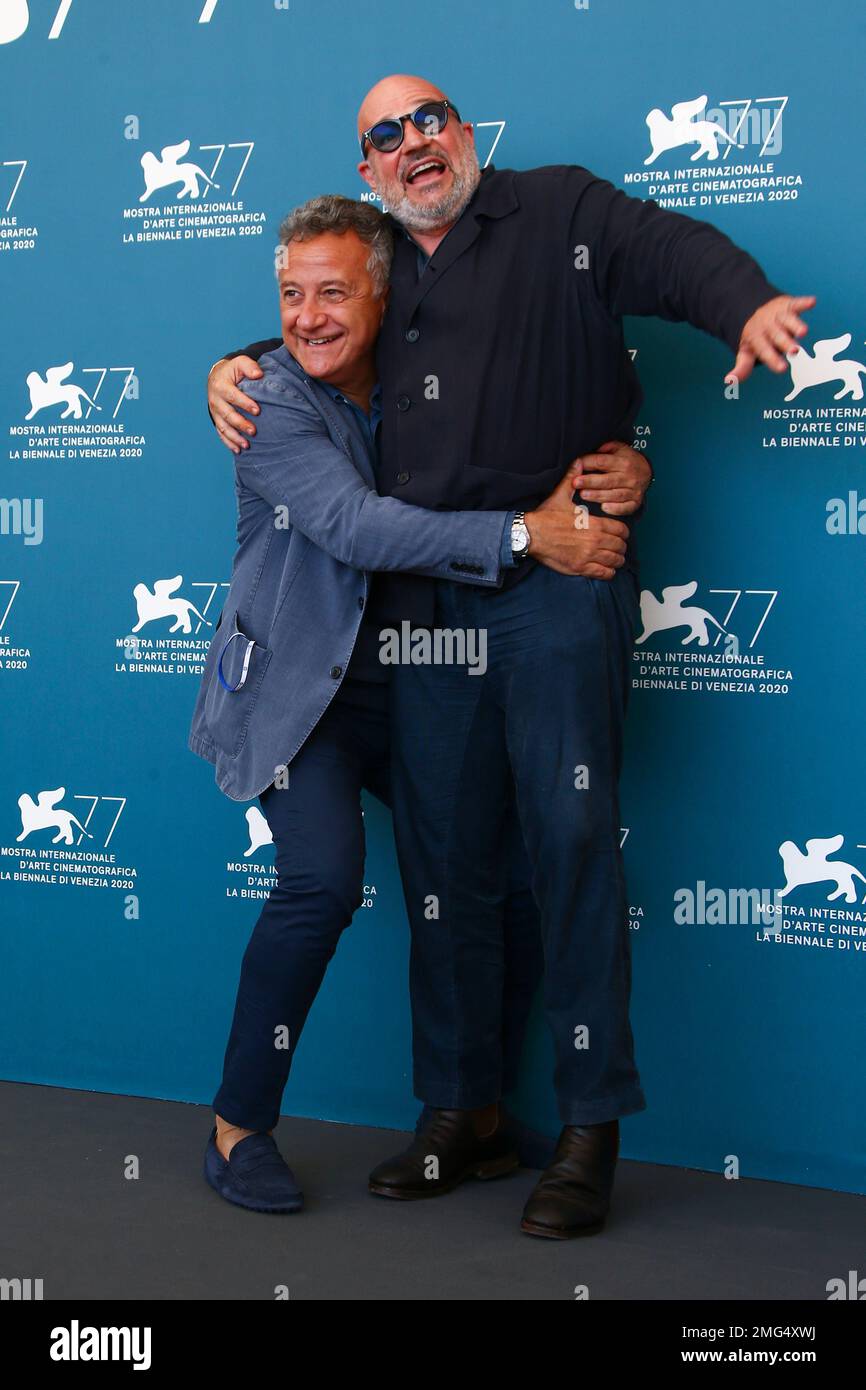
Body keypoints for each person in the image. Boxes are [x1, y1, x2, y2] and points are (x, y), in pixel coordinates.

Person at [208, 72, 810, 1239]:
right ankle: (463, 1115)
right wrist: (232, 362)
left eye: (426, 120)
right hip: (426, 604)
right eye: (384, 136)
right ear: (372, 168)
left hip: (558, 579)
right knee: (441, 857)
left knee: (571, 843)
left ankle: (587, 1129)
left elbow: (672, 253)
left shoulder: (562, 213)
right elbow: (323, 317)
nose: (410, 144)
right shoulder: (381, 252)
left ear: (462, 134)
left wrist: (739, 306)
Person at [191, 194, 651, 1214]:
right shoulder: (265, 401)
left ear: (388, 297)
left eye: (332, 293)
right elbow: (356, 526)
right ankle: (237, 1125)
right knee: (322, 880)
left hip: (414, 685)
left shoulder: (423, 378)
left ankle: (475, 1116)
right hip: (295, 704)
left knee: (503, 862)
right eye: (288, 296)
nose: (306, 315)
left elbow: (548, 384)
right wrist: (529, 537)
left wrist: (622, 458)